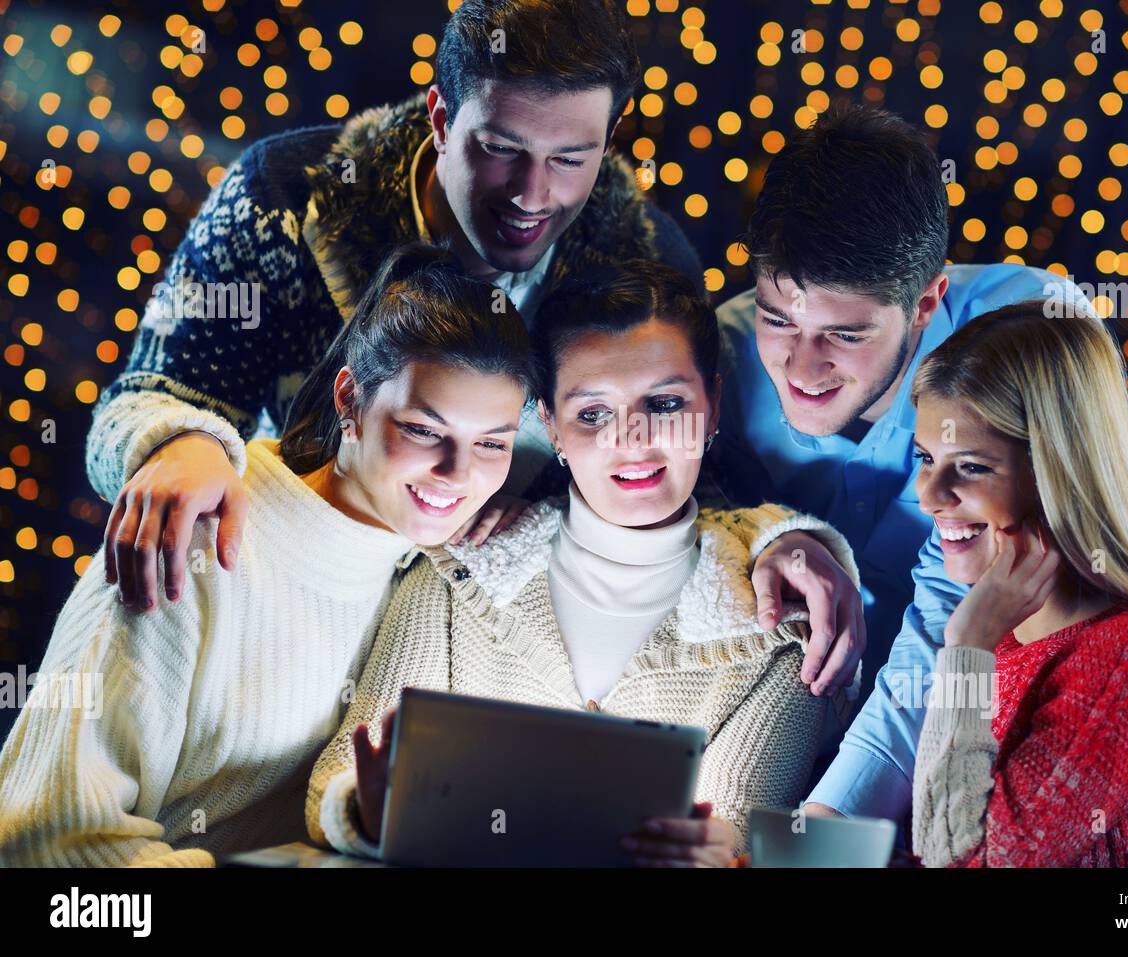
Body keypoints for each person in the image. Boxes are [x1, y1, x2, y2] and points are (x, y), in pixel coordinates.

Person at [91, 0, 702, 616]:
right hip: (276, 594)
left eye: (570, 159)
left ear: (608, 142)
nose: (532, 194)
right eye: (499, 148)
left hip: (486, 644)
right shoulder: (280, 199)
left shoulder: (647, 265)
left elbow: (705, 483)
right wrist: (177, 442)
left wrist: (550, 520)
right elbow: (141, 403)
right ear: (441, 117)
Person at [306, 262, 861, 866]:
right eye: (592, 414)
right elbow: (340, 774)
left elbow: (740, 829)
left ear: (713, 406)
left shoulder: (782, 629)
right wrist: (365, 810)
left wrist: (726, 853)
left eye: (666, 402)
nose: (633, 439)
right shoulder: (453, 574)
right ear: (549, 424)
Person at [0, 246, 536, 866]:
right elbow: (48, 842)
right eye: (422, 429)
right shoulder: (198, 539)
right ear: (350, 402)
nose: (457, 474)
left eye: (492, 443)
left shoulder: (433, 572)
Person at [708, 103, 1099, 822]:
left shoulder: (1029, 333)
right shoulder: (717, 356)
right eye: (779, 319)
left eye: (845, 333)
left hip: (989, 752)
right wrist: (764, 530)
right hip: (767, 732)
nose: (799, 366)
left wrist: (818, 836)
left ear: (925, 303)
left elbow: (951, 615)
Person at [907, 303, 1128, 867]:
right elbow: (937, 846)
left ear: (1057, 474)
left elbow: (986, 864)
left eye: (972, 466)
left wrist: (966, 650)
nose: (929, 495)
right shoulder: (999, 637)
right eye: (926, 458)